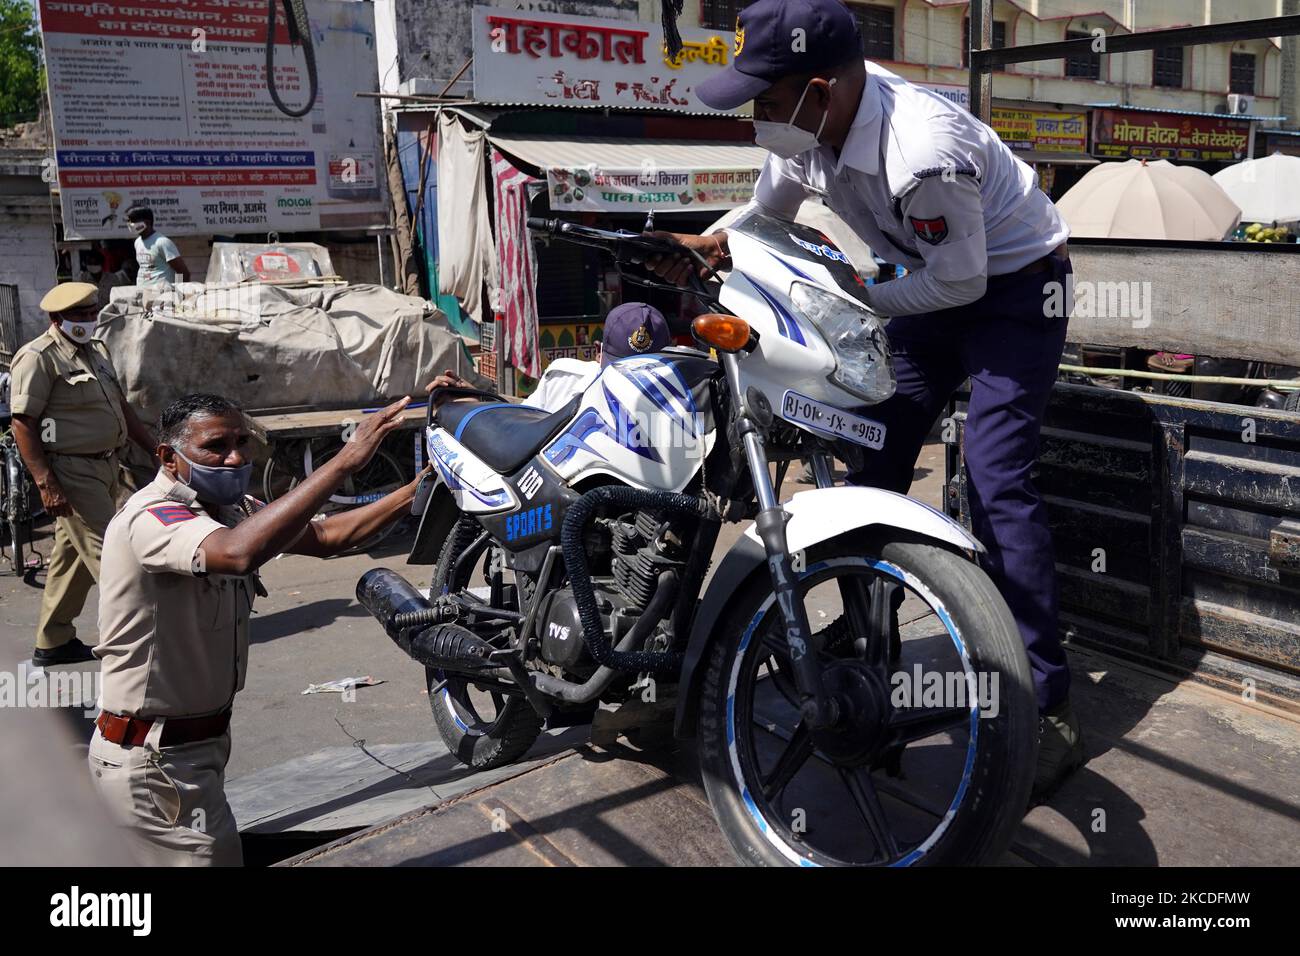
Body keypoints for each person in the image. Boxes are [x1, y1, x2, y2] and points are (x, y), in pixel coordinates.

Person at [649, 0, 1082, 801]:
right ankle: (866, 639)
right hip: (922, 288)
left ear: (822, 89)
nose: (759, 120)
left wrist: (853, 297)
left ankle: (1045, 704)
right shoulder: (803, 127)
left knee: (992, 480)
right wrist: (709, 242)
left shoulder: (922, 152)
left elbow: (963, 282)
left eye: (768, 104)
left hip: (1014, 292)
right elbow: (765, 218)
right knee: (867, 461)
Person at [90, 393, 420, 865]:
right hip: (154, 762)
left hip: (196, 749)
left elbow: (326, 536)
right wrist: (346, 460)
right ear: (168, 457)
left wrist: (418, 488)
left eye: (242, 442)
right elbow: (238, 553)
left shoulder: (232, 508)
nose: (236, 457)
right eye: (216, 446)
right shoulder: (153, 516)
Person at [8, 282, 159, 666]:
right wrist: (46, 483)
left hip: (107, 465)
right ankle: (141, 639)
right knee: (116, 556)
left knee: (70, 560)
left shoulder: (96, 351)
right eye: (79, 316)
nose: (88, 322)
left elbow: (121, 407)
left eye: (92, 314)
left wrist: (156, 450)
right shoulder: (38, 357)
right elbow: (22, 423)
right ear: (55, 319)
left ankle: (53, 640)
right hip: (71, 471)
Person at [428, 302, 672, 413]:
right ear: (598, 353)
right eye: (619, 370)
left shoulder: (681, 406)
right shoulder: (563, 381)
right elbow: (527, 418)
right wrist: (477, 398)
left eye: (642, 372)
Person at [126, 206, 190, 286]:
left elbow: (182, 272)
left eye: (133, 221)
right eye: (128, 221)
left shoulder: (162, 242)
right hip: (144, 293)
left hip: (163, 295)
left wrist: (179, 290)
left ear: (146, 222)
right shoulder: (138, 242)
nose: (130, 224)